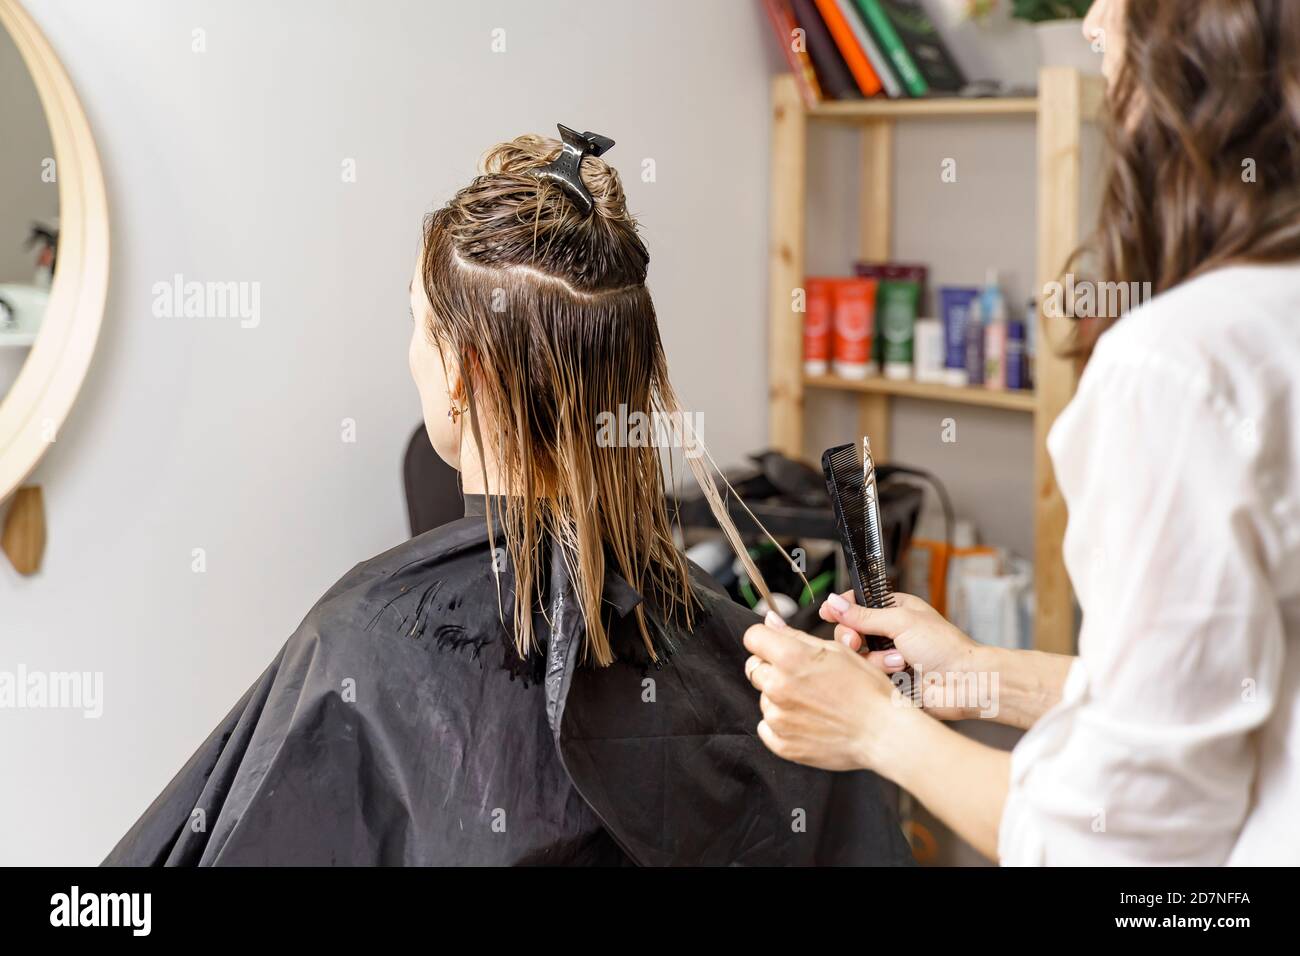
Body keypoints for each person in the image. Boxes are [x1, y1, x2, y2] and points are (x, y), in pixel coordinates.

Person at [103, 129, 913, 866]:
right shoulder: (757, 668)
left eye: (418, 325)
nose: (412, 351)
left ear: (461, 374)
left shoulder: (359, 640)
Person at [744, 0, 1300, 865]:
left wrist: (875, 731)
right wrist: (973, 670)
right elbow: (1211, 697)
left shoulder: (1179, 366)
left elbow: (1124, 847)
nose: (1089, 25)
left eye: (1113, 2)